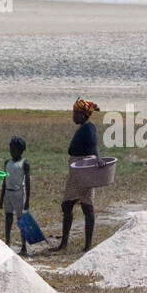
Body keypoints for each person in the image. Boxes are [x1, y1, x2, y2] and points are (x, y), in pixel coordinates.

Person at [54, 98, 100, 252]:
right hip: (77, 169)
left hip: (84, 168)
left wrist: (97, 159)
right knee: (69, 204)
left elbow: (94, 145)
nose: (73, 116)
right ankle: (65, 243)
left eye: (75, 113)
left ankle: (86, 246)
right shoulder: (84, 127)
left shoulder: (89, 128)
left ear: (82, 114)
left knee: (86, 206)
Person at [0, 136, 32, 255]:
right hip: (8, 193)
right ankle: (7, 244)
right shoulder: (7, 162)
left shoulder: (24, 163)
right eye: (10, 148)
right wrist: (1, 199)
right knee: (8, 219)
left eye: (14, 149)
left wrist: (27, 200)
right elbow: (4, 180)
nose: (11, 151)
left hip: (19, 194)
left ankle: (24, 247)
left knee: (21, 221)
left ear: (20, 150)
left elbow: (28, 182)